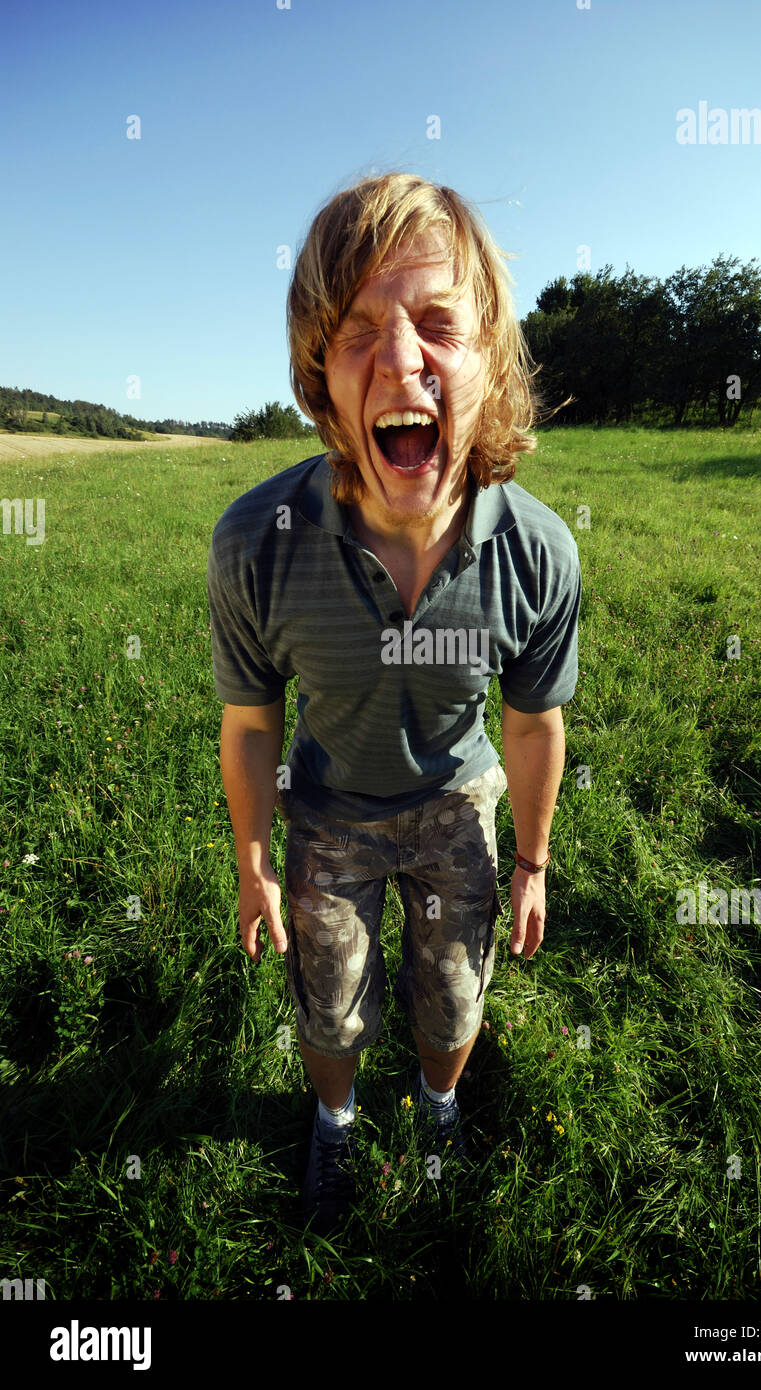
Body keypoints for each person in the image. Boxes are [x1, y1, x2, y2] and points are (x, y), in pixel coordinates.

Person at [207, 172, 581, 1235]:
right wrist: (252, 864)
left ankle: (439, 1103)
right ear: (321, 375)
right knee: (328, 1001)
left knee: (453, 996)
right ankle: (332, 1125)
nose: (402, 358)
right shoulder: (255, 545)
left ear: (487, 361)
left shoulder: (537, 554)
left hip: (459, 807)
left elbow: (532, 722)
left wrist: (533, 860)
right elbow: (249, 723)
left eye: (434, 323)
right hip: (326, 810)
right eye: (360, 329)